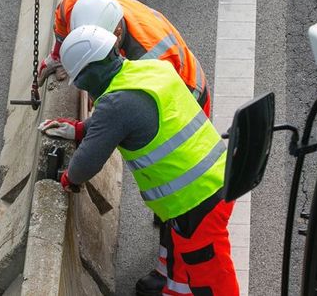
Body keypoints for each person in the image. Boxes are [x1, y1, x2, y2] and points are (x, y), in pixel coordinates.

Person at [39, 25, 239, 296]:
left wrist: (69, 179)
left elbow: (87, 162)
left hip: (196, 197)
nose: (83, 86)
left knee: (209, 273)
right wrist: (79, 129)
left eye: (81, 80)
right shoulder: (148, 70)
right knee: (184, 256)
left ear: (91, 71)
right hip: (214, 177)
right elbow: (125, 121)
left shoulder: (117, 104)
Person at [40, 0, 210, 116]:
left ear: (118, 33)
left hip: (189, 100)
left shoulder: (150, 58)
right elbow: (61, 23)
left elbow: (131, 111)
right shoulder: (76, 3)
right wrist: (58, 55)